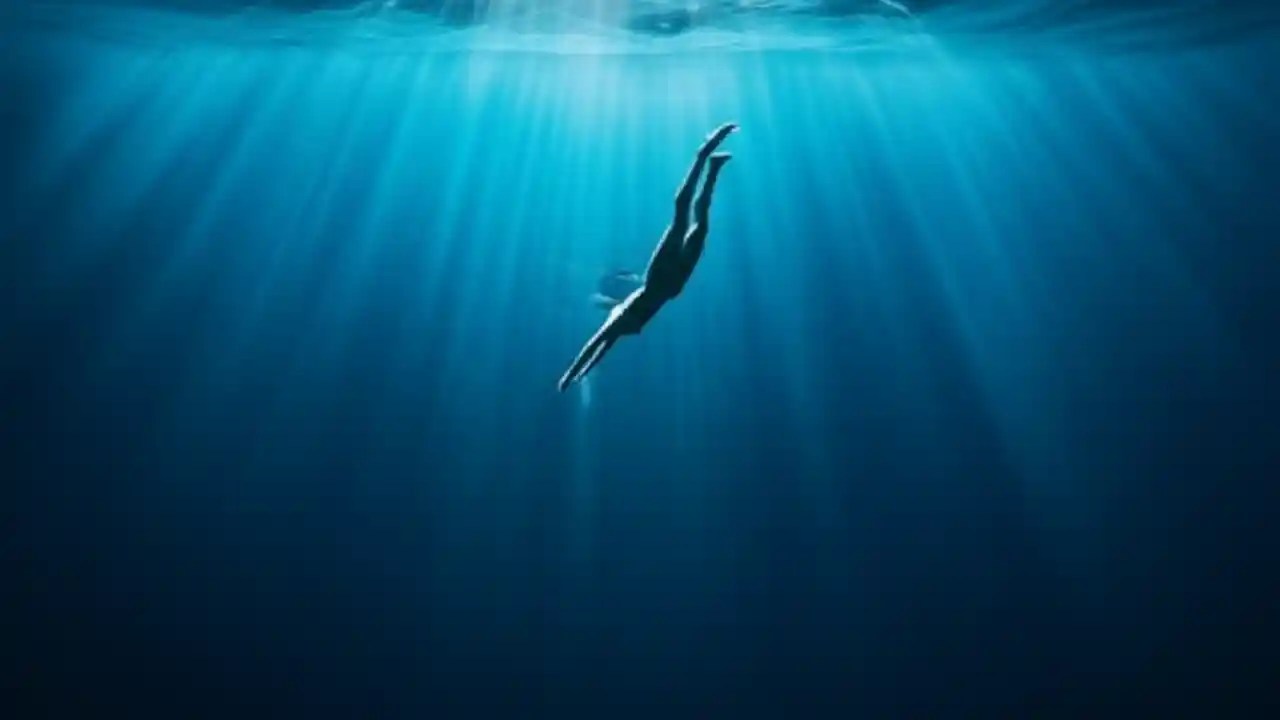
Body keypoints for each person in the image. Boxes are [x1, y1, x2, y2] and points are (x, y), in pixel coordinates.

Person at [558, 122, 737, 392]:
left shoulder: (615, 320)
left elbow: (593, 345)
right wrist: (581, 375)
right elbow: (601, 352)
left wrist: (569, 375)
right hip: (674, 285)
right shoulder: (617, 330)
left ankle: (703, 154)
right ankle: (713, 169)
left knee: (681, 218)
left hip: (660, 279)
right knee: (700, 228)